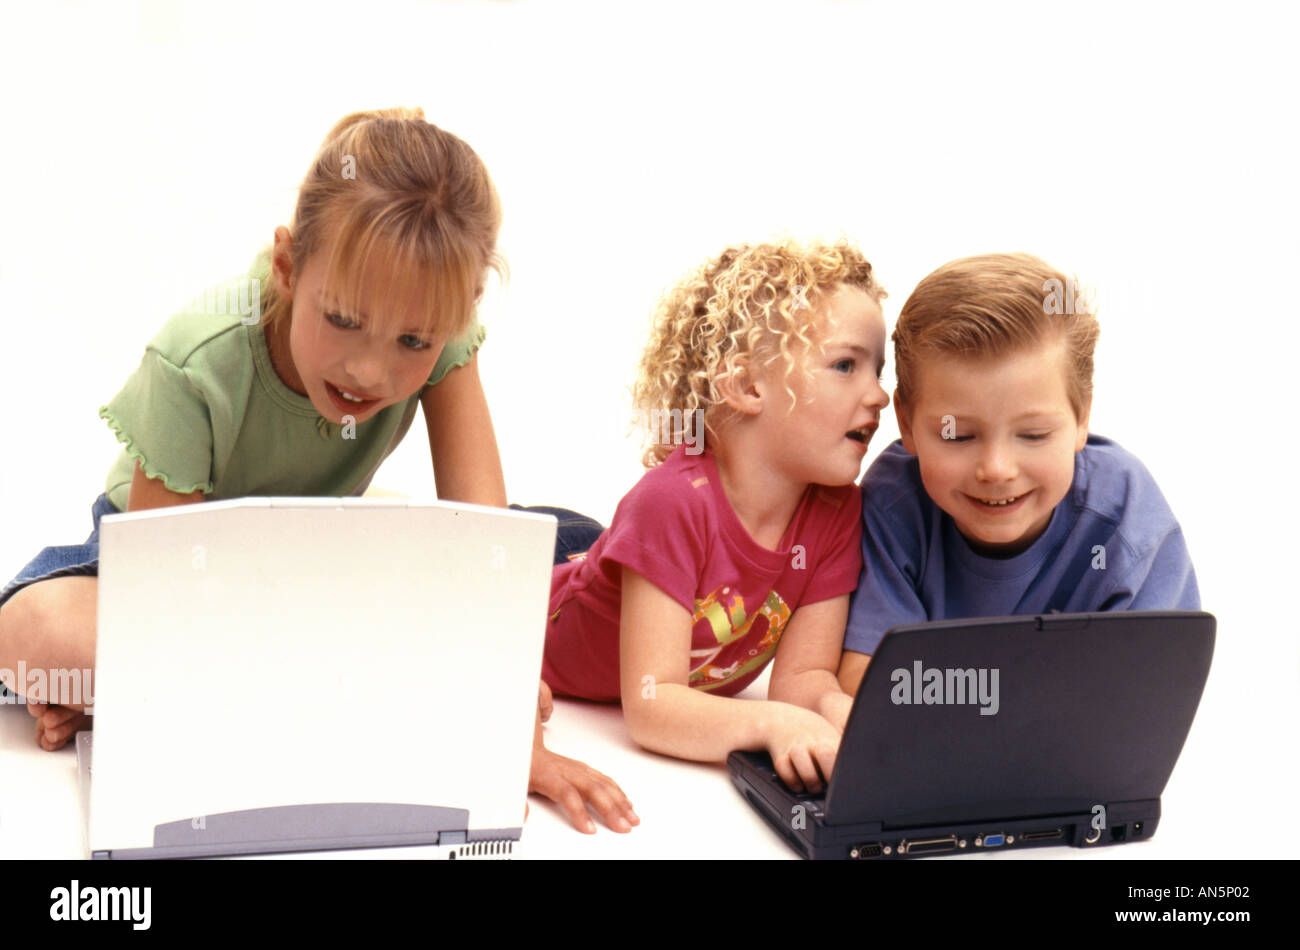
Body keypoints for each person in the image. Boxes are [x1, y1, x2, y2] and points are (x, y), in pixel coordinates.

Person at [0, 107, 633, 835]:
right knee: (32, 633)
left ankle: (341, 657)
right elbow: (164, 610)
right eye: (340, 320)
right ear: (288, 266)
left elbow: (492, 547)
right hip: (175, 571)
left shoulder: (443, 335)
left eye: (413, 341)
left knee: (541, 554)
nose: (370, 368)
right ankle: (355, 669)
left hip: (320, 560)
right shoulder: (195, 360)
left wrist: (513, 739)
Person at [541, 239, 890, 794]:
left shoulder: (836, 509)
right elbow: (653, 705)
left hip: (609, 551)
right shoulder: (672, 502)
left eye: (879, 368)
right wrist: (771, 725)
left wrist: (851, 720)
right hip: (535, 587)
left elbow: (802, 681)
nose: (880, 395)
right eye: (846, 365)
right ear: (748, 386)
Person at [838, 253, 1200, 695]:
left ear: (1082, 417)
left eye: (1033, 434)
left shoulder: (1124, 512)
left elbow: (1155, 689)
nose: (996, 469)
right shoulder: (893, 506)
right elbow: (866, 683)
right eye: (959, 436)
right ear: (907, 423)